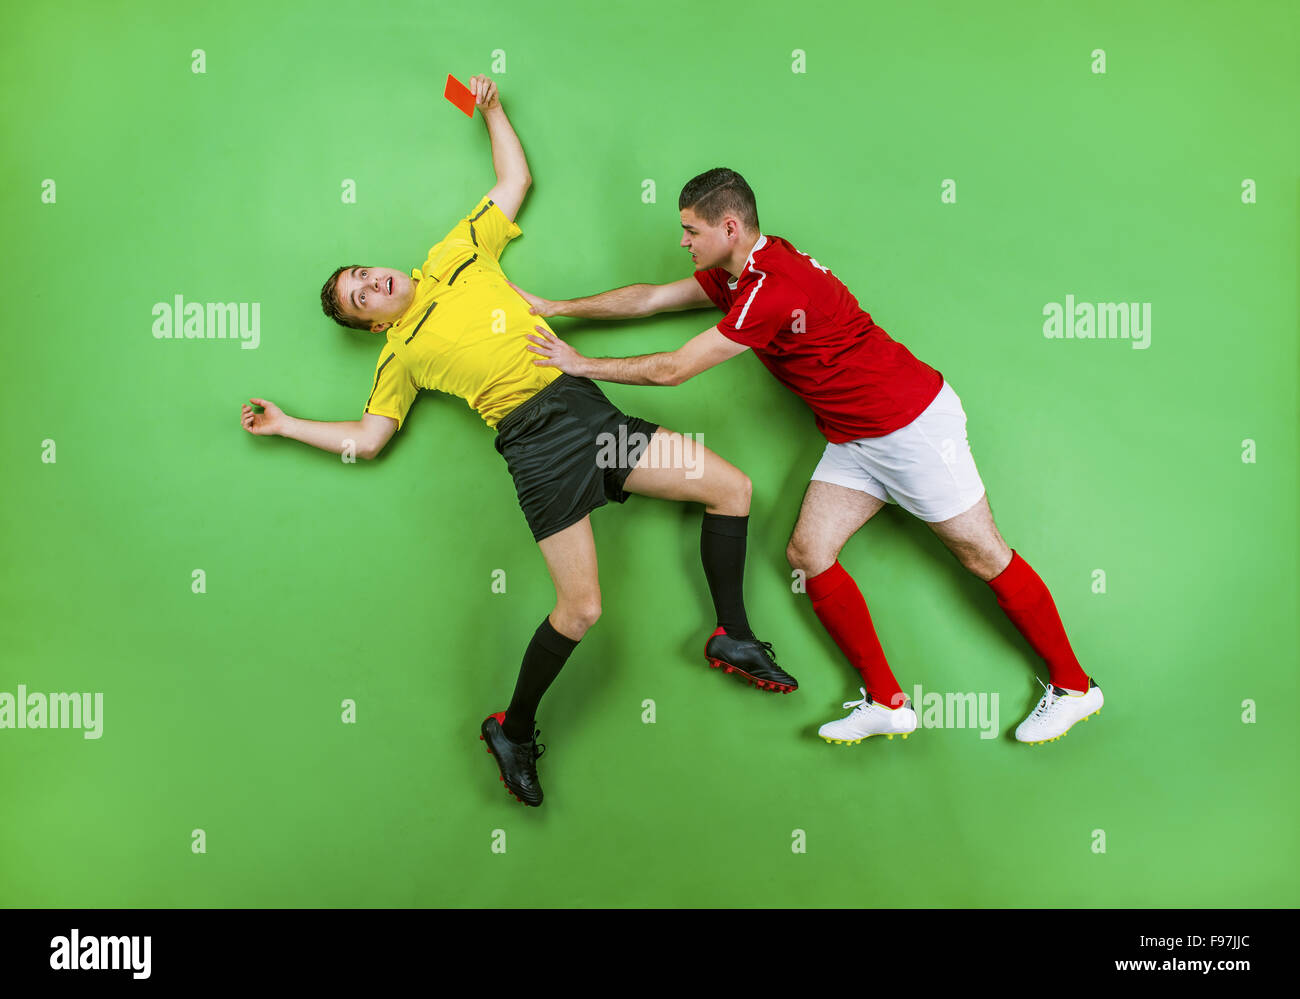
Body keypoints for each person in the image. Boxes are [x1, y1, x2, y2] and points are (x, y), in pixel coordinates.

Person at [239, 93, 797, 808]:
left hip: (589, 411)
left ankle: (732, 633)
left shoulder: (454, 254)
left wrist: (492, 111)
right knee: (583, 608)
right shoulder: (399, 357)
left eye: (365, 275)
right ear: (372, 324)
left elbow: (513, 184)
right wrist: (289, 426)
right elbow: (369, 438)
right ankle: (513, 727)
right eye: (362, 300)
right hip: (535, 448)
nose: (373, 284)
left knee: (733, 487)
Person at [514, 166, 1103, 747]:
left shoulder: (773, 289)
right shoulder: (739, 272)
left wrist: (582, 365)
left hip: (911, 425)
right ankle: (886, 703)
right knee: (808, 551)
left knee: (982, 553)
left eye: (691, 230)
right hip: (854, 437)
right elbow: (649, 300)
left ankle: (1075, 689)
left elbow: (674, 370)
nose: (683, 241)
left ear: (728, 226)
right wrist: (553, 306)